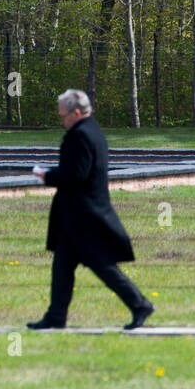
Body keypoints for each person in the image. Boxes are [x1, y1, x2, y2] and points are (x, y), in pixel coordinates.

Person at [27, 89, 154, 331]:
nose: (62, 120)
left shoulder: (82, 136)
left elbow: (77, 175)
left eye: (63, 116)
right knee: (62, 267)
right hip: (75, 215)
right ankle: (55, 317)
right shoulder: (89, 131)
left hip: (83, 215)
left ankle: (140, 304)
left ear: (76, 113)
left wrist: (47, 176)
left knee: (102, 265)